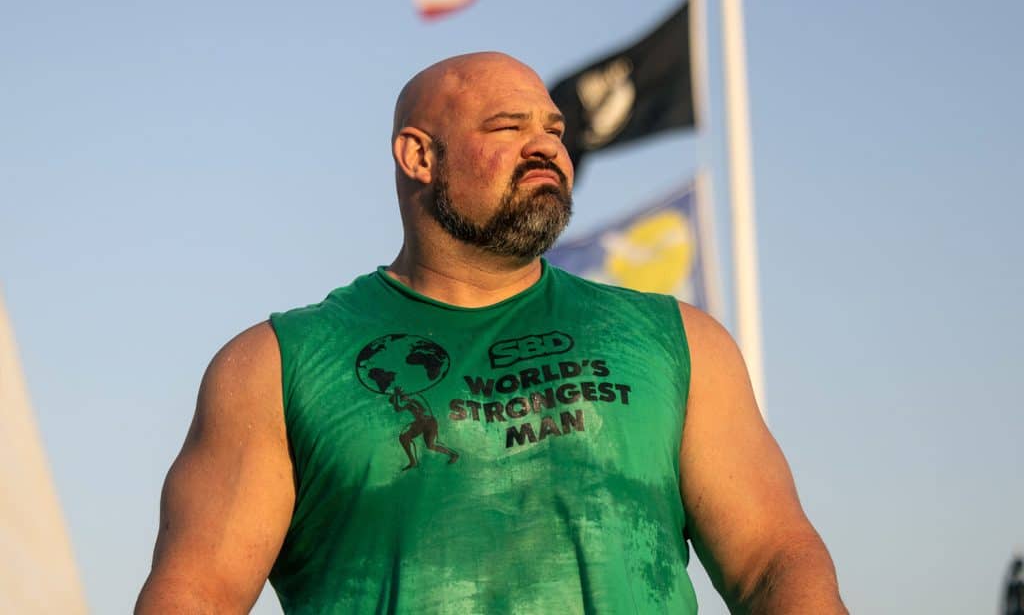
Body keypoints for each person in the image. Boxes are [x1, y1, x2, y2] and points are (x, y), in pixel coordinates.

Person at [135, 51, 846, 614]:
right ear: (419, 156)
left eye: (554, 132)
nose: (547, 148)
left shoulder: (678, 341)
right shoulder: (276, 365)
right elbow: (198, 594)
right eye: (509, 129)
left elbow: (772, 560)